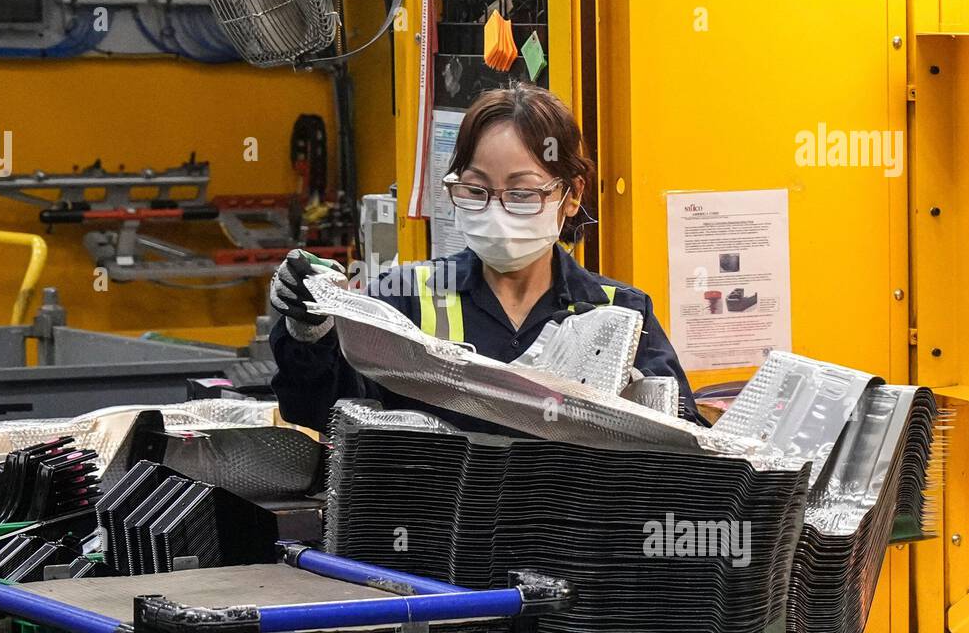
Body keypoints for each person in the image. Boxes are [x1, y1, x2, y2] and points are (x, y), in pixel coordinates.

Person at [268, 83, 707, 433]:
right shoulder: (401, 298)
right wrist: (309, 333)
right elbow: (319, 412)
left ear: (572, 194)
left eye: (521, 193)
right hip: (439, 538)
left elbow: (682, 440)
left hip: (568, 538)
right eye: (476, 190)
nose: (496, 212)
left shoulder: (622, 311)